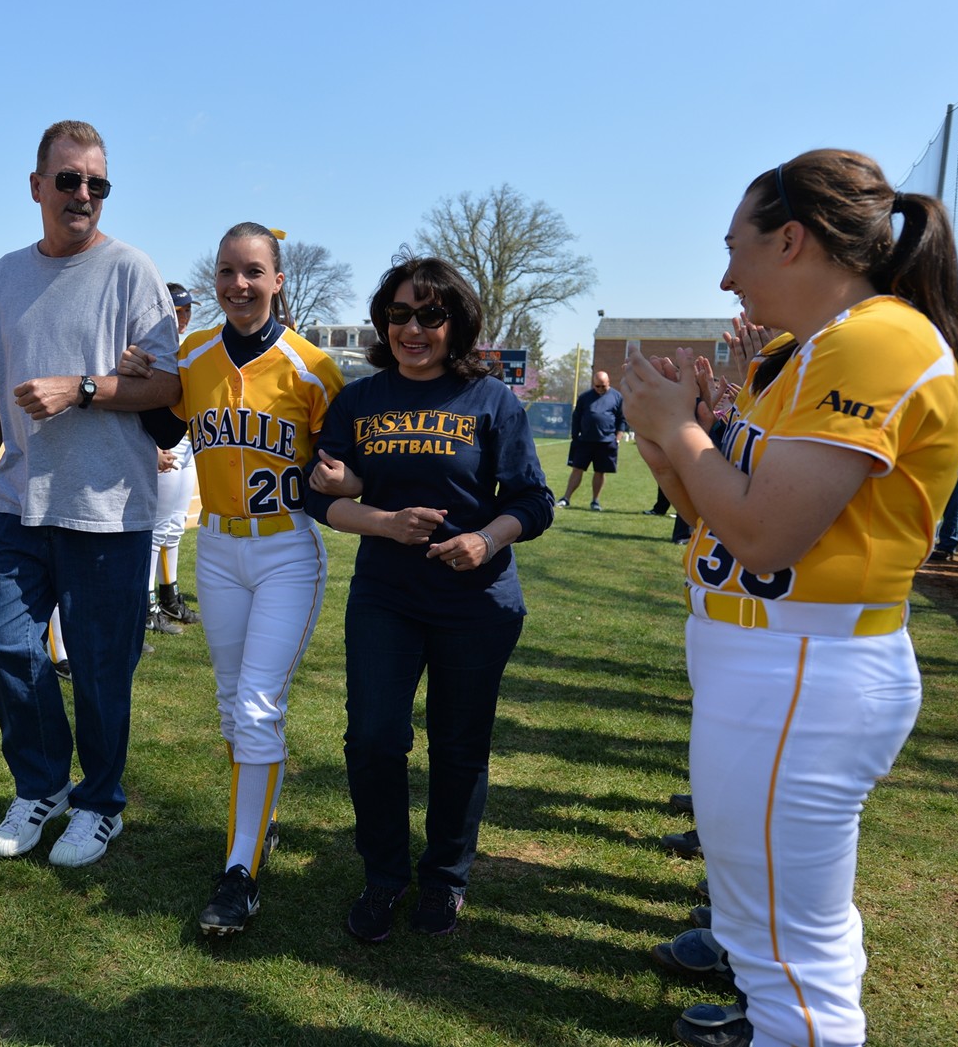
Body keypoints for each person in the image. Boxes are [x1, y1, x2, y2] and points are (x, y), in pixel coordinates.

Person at [622, 149, 958, 1047]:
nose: (725, 273)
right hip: (772, 658)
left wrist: (680, 429)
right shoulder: (811, 350)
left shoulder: (878, 338)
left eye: (734, 247)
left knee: (794, 955)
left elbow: (765, 535)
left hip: (803, 668)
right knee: (771, 923)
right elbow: (720, 524)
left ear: (791, 240)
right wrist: (671, 445)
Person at [305, 256, 554, 941]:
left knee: (458, 746)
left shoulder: (492, 401)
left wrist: (487, 539)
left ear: (457, 321)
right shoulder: (359, 399)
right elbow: (317, 492)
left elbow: (533, 500)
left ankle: (445, 879)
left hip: (476, 603)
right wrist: (379, 516)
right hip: (387, 596)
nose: (413, 328)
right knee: (374, 738)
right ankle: (383, 876)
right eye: (399, 315)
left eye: (430, 315)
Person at [0, 120, 181, 868]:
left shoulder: (133, 271)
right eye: (69, 180)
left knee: (98, 671)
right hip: (17, 501)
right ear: (36, 187)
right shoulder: (3, 276)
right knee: (1, 645)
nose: (83, 194)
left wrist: (83, 388)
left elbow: (168, 386)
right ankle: (43, 783)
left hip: (108, 509)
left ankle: (100, 803)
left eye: (97, 183)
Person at [123, 224, 344, 934]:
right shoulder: (193, 352)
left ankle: (240, 872)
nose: (238, 285)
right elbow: (166, 432)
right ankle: (257, 825)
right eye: (226, 271)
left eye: (253, 271)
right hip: (215, 545)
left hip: (285, 549)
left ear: (279, 280)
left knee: (255, 703)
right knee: (230, 702)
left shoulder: (312, 367)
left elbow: (344, 467)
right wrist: (138, 381)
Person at [145, 282, 202, 634]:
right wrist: (150, 449)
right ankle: (146, 604)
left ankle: (169, 596)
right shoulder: (150, 348)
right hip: (163, 444)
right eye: (177, 311)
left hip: (188, 442)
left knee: (175, 526)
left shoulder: (190, 348)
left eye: (186, 311)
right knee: (155, 529)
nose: (183, 318)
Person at [557, 371, 626, 510]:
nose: (600, 389)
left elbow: (622, 419)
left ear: (609, 383)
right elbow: (576, 417)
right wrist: (575, 436)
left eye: (603, 386)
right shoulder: (585, 397)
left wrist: (617, 439)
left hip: (606, 442)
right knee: (577, 469)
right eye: (597, 386)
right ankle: (566, 498)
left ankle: (595, 501)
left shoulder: (617, 397)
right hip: (585, 441)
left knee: (600, 471)